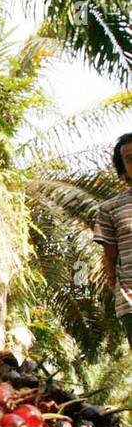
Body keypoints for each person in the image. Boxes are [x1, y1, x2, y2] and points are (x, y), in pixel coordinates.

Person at [94, 133, 132, 349]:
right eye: (130, 159)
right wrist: (115, 285)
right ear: (123, 168)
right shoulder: (110, 209)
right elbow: (110, 256)